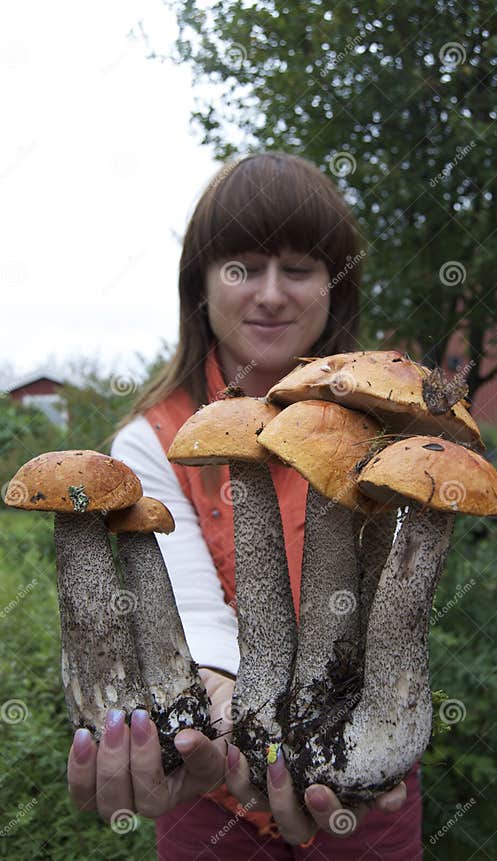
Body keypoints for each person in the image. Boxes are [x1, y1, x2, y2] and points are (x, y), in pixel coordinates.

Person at [66, 151, 423, 859]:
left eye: (299, 269)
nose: (271, 294)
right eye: (243, 267)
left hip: (365, 782)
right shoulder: (153, 441)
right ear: (199, 284)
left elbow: (394, 606)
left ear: (336, 285)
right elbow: (194, 610)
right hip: (210, 800)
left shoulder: (390, 432)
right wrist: (227, 706)